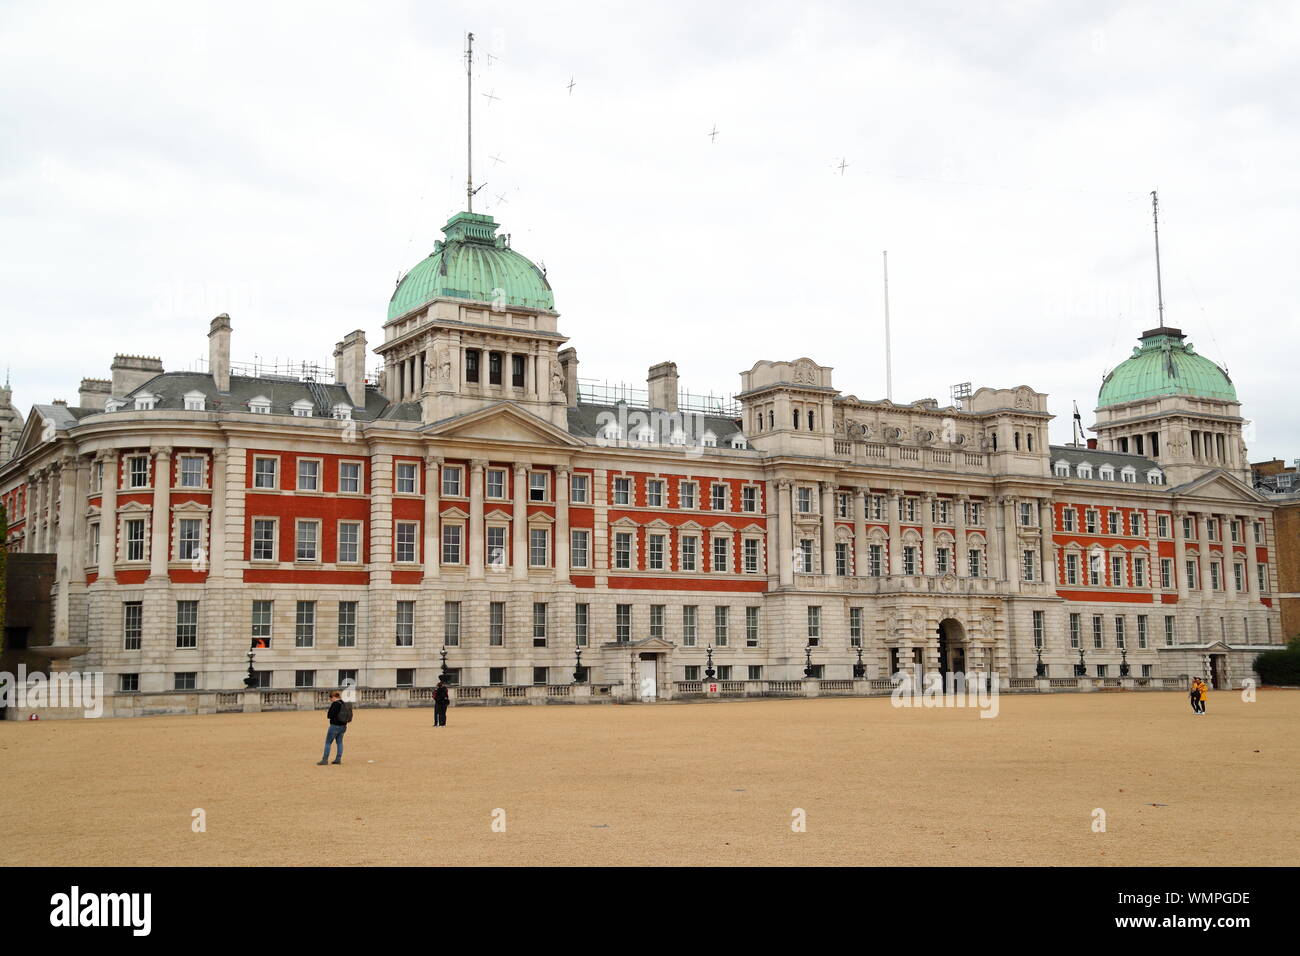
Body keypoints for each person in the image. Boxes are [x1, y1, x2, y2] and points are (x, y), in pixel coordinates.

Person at [318, 690, 350, 764]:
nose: (330, 699)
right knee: (339, 742)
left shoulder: (335, 704)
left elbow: (330, 716)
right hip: (343, 726)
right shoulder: (344, 703)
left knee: (328, 742)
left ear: (333, 697)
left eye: (331, 698)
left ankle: (325, 759)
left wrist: (328, 711)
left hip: (335, 726)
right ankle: (338, 759)